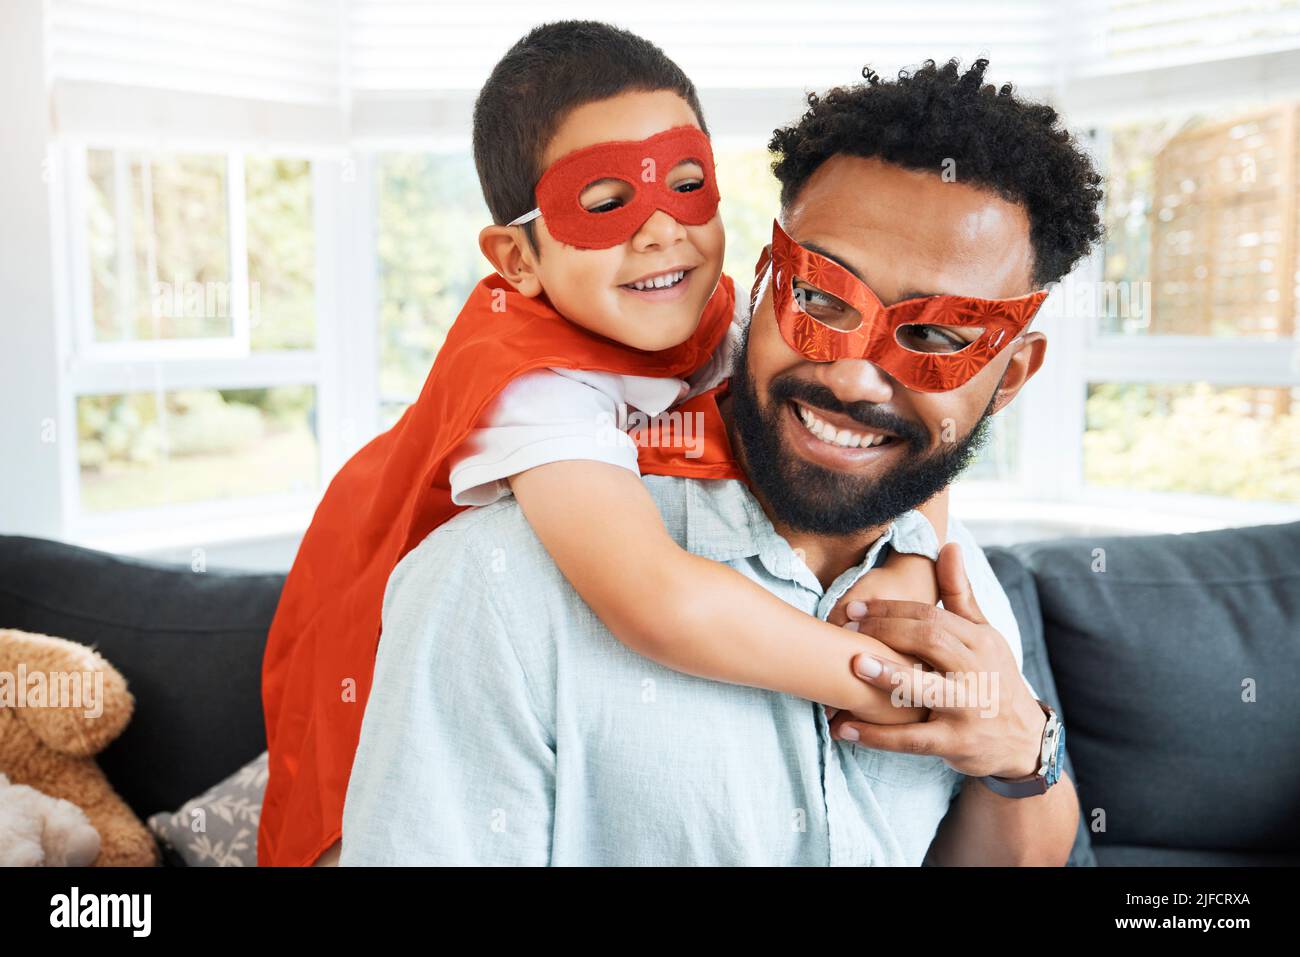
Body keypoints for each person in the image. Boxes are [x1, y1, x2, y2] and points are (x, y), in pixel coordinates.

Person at [339, 55, 1104, 865]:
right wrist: (897, 682)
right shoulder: (497, 584)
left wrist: (1026, 753)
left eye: (935, 337)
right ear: (766, 277)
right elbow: (657, 600)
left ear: (1011, 375)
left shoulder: (959, 593)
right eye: (818, 296)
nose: (850, 375)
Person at [260, 21, 949, 868]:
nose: (662, 231)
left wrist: (910, 567)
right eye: (604, 203)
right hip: (383, 614)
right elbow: (654, 600)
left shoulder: (730, 317)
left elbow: (899, 427)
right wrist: (882, 678)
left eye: (688, 185)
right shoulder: (529, 383)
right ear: (517, 257)